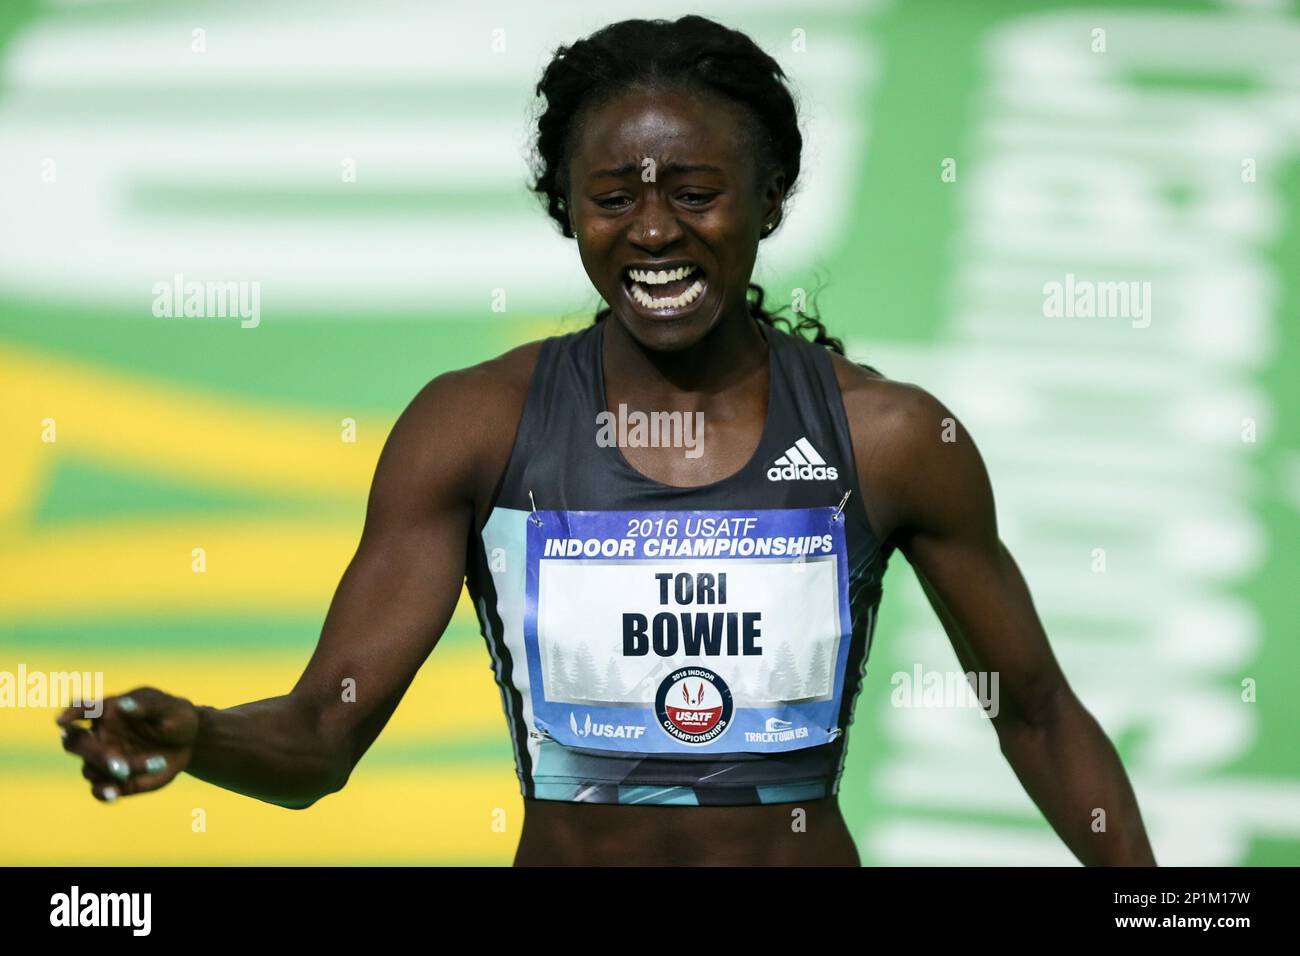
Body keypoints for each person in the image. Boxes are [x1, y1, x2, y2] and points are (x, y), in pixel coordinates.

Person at [58, 15, 1155, 867]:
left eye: (695, 192)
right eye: (611, 196)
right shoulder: (472, 428)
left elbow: (1040, 714)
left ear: (770, 201)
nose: (653, 229)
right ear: (566, 211)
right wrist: (198, 733)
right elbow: (317, 740)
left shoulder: (893, 439)